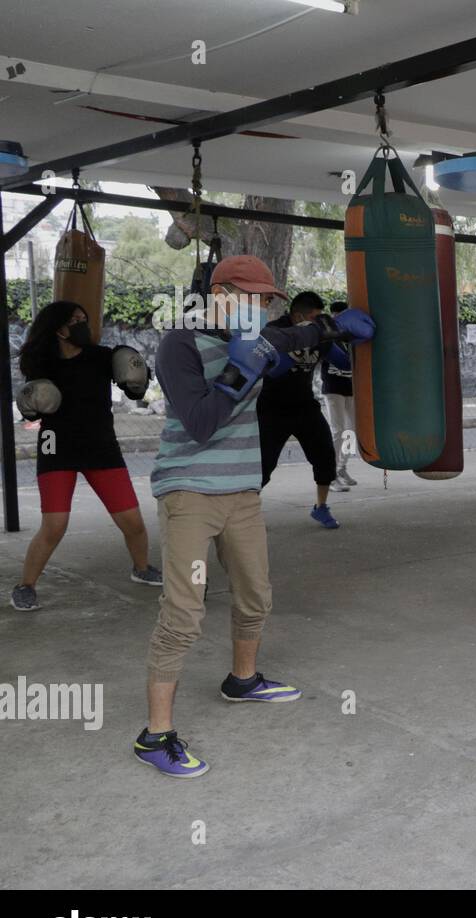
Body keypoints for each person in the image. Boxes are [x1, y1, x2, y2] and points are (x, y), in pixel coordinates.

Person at [139, 255, 374, 777]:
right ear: (217, 291)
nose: (258, 307)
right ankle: (155, 735)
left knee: (255, 595)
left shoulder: (262, 336)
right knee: (182, 614)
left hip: (242, 491)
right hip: (190, 493)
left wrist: (332, 328)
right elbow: (201, 422)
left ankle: (242, 680)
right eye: (249, 296)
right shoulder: (180, 343)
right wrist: (240, 369)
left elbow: (291, 343)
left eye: (264, 300)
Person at [10, 301, 162, 611]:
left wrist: (136, 379)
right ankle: (25, 585)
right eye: (76, 320)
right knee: (54, 525)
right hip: (57, 447)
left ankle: (142, 568)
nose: (83, 324)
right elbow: (31, 401)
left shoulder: (103, 357)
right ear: (60, 329)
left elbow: (133, 389)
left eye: (85, 318)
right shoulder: (42, 362)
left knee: (132, 521)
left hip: (100, 445)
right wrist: (29, 401)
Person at [257, 291, 349, 528]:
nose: (319, 324)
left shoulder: (320, 335)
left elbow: (344, 362)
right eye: (314, 318)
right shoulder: (275, 331)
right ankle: (248, 512)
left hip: (305, 405)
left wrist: (355, 338)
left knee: (325, 457)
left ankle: (321, 507)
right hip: (272, 407)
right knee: (263, 466)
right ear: (298, 316)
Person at [322, 299, 357, 493]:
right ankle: (331, 476)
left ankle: (342, 468)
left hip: (350, 388)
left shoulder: (352, 335)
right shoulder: (328, 334)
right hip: (333, 387)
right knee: (337, 430)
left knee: (352, 431)